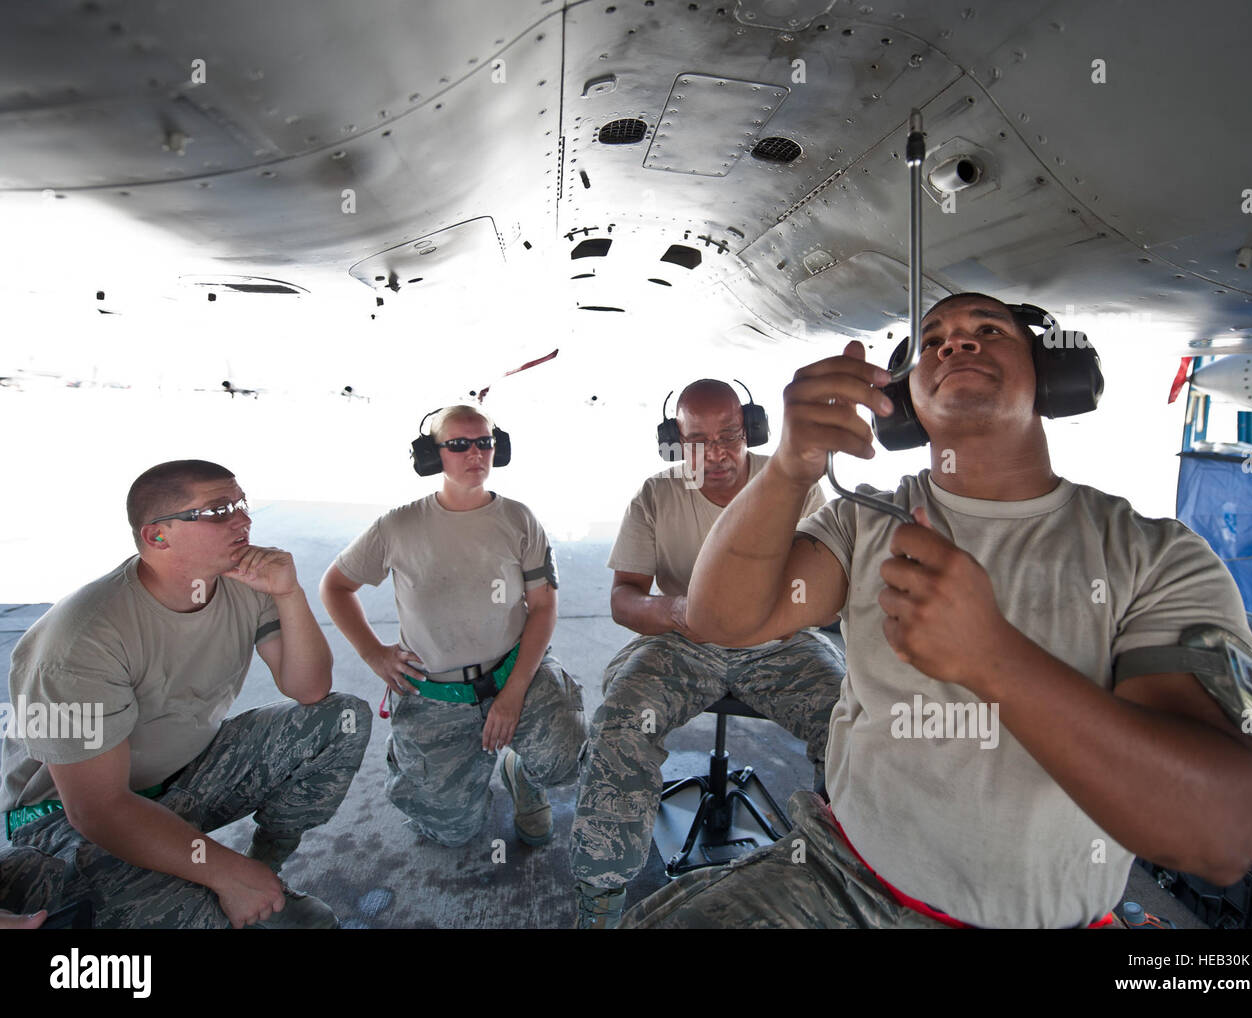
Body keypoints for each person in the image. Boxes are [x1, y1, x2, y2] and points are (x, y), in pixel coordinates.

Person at [619, 293, 1252, 929]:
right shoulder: (862, 521)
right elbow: (720, 620)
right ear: (904, 403)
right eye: (932, 341)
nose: (956, 341)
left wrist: (993, 660)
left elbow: (1220, 837)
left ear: (1049, 372)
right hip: (842, 878)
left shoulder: (1155, 556)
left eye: (988, 331)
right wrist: (789, 470)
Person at [0, 460, 370, 929]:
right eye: (217, 511)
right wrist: (225, 872)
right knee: (194, 915)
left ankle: (263, 879)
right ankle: (227, 890)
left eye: (240, 504)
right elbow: (97, 809)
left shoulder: (242, 583)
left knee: (339, 720)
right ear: (157, 537)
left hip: (179, 778)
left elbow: (310, 688)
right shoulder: (81, 640)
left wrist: (289, 592)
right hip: (64, 822)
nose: (243, 520)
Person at [570, 379, 847, 928]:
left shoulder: (795, 483)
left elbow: (828, 596)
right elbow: (625, 597)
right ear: (674, 440)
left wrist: (777, 613)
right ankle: (600, 899)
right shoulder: (657, 493)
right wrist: (675, 613)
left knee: (849, 722)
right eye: (696, 440)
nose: (715, 454)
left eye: (730, 436)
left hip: (779, 642)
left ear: (753, 430)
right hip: (682, 642)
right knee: (620, 725)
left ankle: (838, 874)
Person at [320, 405, 585, 852]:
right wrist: (373, 653)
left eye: (484, 442)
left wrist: (514, 692)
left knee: (563, 762)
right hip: (435, 693)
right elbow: (336, 585)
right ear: (432, 455)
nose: (474, 453)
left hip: (512, 671)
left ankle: (520, 771)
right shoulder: (398, 525)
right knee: (451, 831)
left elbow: (543, 606)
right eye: (458, 444)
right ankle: (421, 762)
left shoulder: (519, 519)